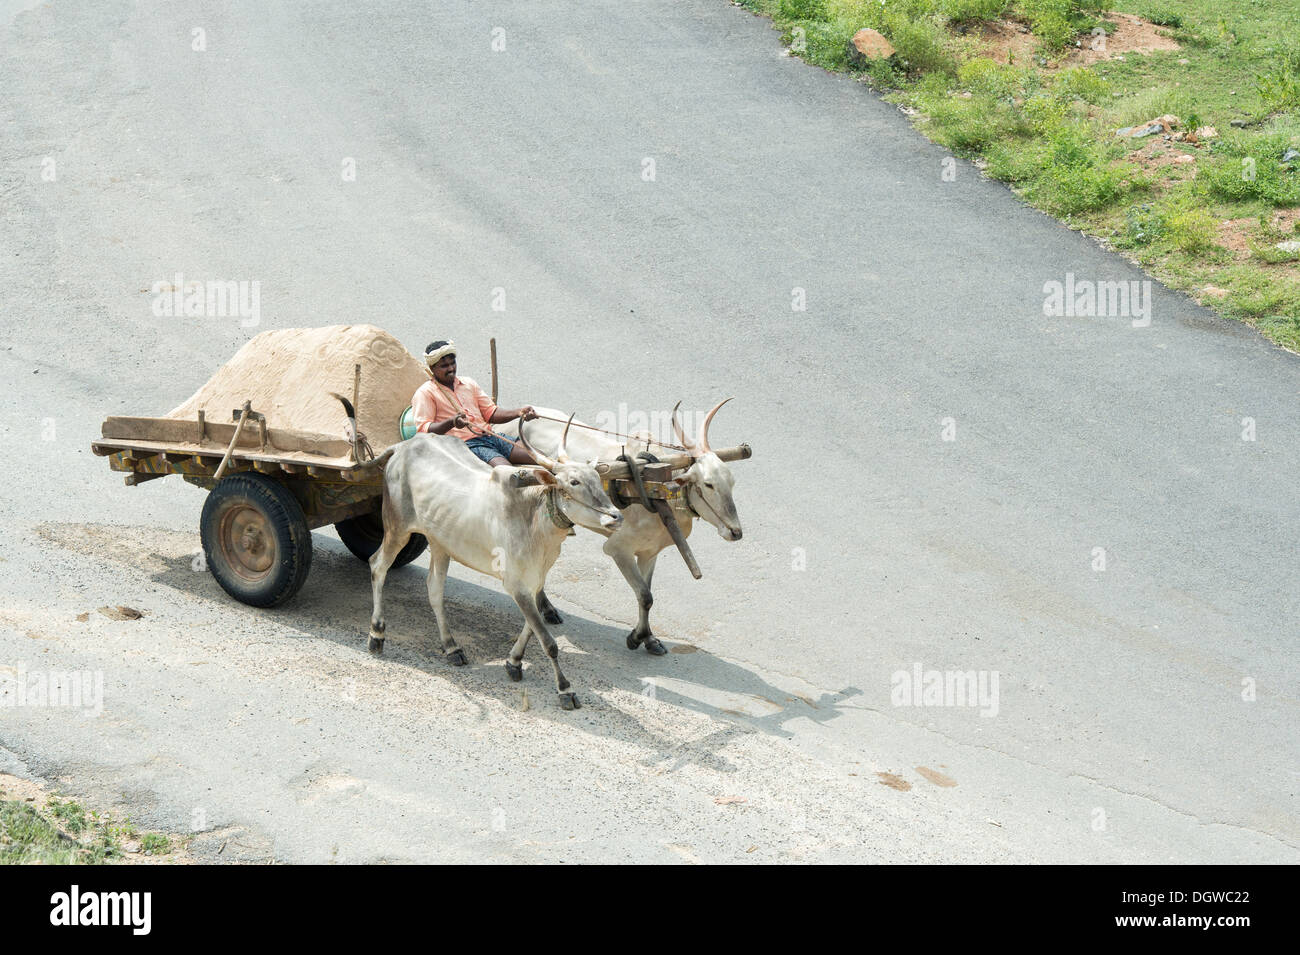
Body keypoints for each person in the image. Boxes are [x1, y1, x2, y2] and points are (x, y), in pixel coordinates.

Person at [411, 340, 539, 467]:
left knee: (542, 459)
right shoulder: (425, 393)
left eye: (453, 363)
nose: (451, 368)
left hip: (491, 436)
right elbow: (425, 430)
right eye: (444, 366)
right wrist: (452, 422)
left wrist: (519, 412)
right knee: (506, 471)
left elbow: (491, 413)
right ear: (432, 368)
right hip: (466, 445)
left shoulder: (468, 383)